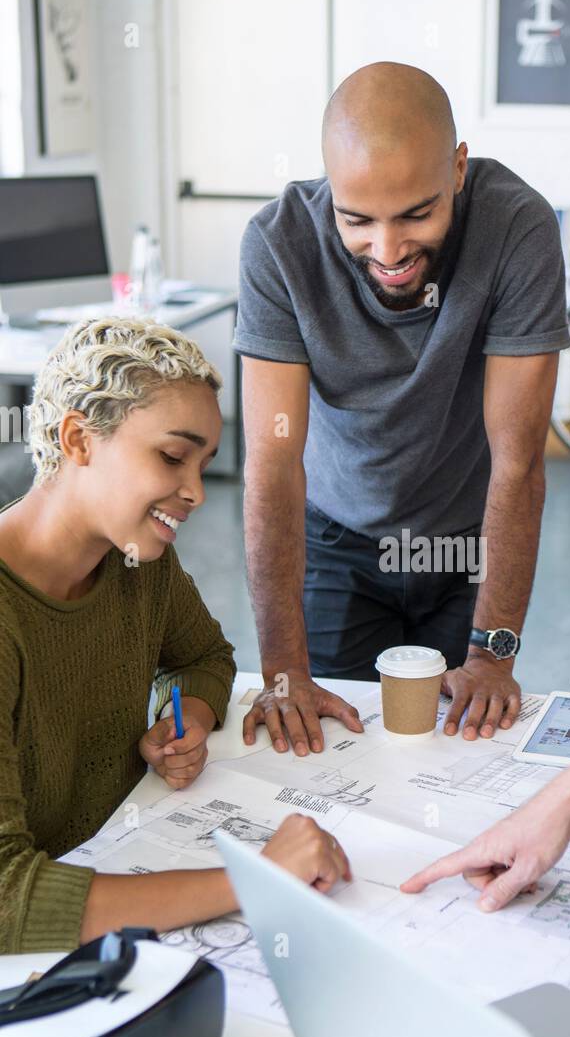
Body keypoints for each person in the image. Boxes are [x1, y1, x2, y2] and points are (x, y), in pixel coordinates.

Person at [234, 62, 570, 758]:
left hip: (464, 542)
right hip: (335, 541)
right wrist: (282, 669)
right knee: (319, 750)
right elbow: (273, 462)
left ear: (457, 169)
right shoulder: (276, 245)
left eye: (416, 214)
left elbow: (519, 460)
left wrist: (495, 653)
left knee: (455, 750)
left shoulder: (517, 226)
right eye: (357, 220)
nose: (387, 252)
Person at [0, 317, 349, 955]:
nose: (195, 492)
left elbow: (204, 657)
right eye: (171, 456)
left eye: (205, 464)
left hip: (116, 864)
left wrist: (182, 717)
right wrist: (255, 878)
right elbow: (4, 902)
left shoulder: (137, 562)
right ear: (78, 439)